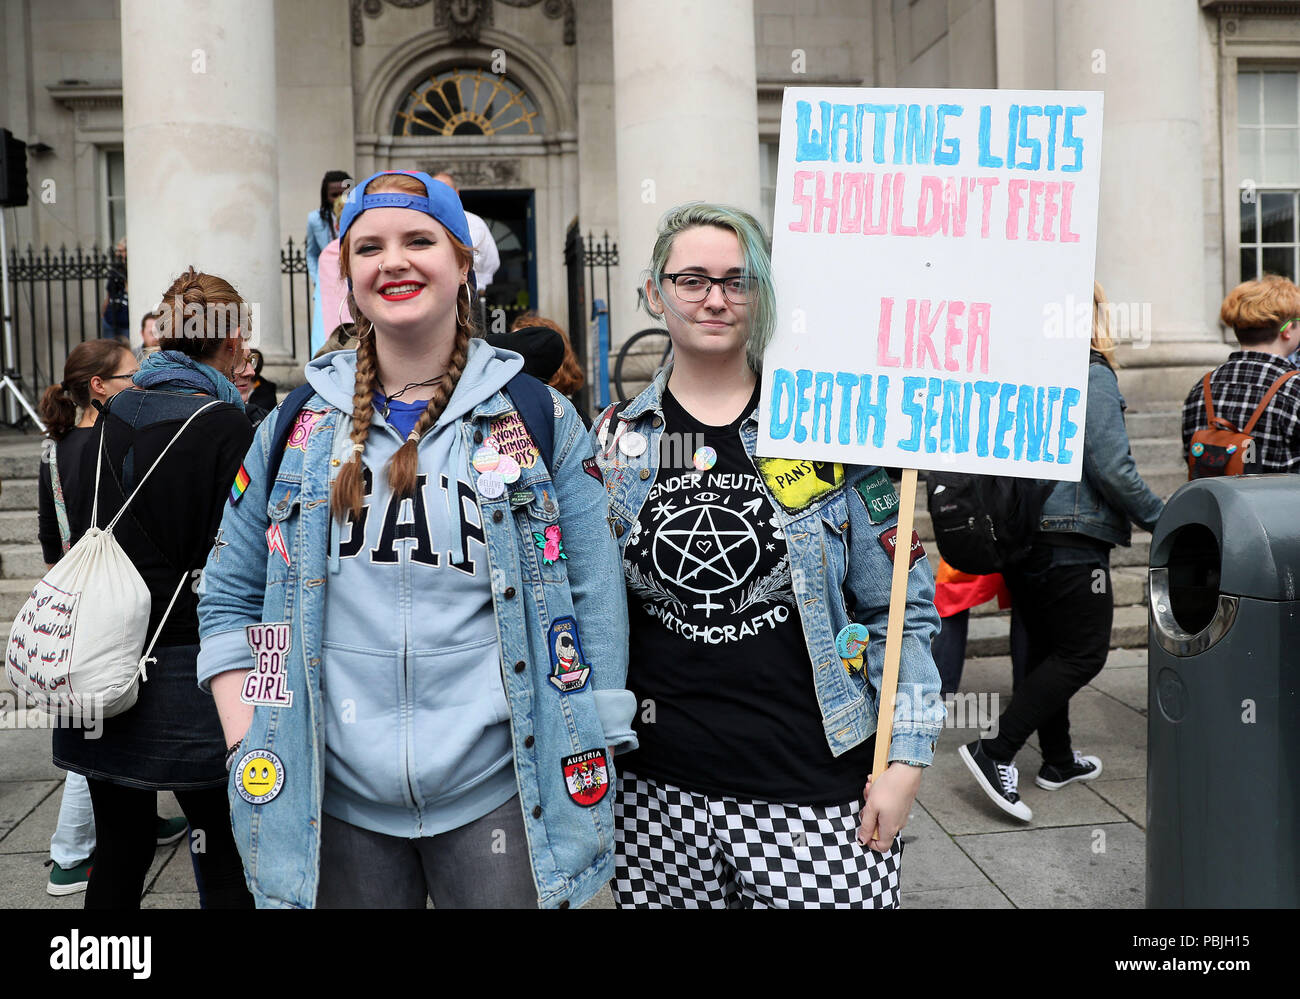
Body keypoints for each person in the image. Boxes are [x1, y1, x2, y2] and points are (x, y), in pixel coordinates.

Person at [197, 170, 634, 909]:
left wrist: (595, 728)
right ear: (348, 274)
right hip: (334, 803)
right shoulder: (294, 428)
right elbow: (239, 593)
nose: (393, 261)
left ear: (462, 262)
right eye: (369, 246)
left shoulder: (539, 415)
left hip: (501, 794)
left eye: (419, 240)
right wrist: (253, 728)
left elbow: (593, 588)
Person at [591, 202, 944, 909]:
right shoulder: (617, 441)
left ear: (762, 295)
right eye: (692, 279)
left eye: (737, 279)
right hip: (656, 798)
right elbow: (593, 614)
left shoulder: (828, 431)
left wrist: (906, 755)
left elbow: (901, 610)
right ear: (655, 294)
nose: (715, 297)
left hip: (814, 789)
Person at [52, 268, 256, 909]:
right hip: (190, 663)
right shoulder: (225, 426)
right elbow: (244, 557)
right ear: (228, 342)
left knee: (120, 845)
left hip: (97, 663)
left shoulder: (96, 420)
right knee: (220, 843)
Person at [958, 281, 1165, 822]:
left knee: (1047, 650)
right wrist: (1165, 518)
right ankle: (995, 749)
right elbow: (1112, 467)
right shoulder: (1090, 373)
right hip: (1070, 538)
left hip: (1026, 537)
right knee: (1083, 653)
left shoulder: (1027, 371)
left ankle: (1057, 760)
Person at [36, 339, 188, 896]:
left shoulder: (54, 451)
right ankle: (73, 852)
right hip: (130, 613)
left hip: (79, 615)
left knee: (98, 753)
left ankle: (87, 850)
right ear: (99, 387)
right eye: (131, 375)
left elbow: (53, 545)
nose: (141, 384)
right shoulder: (120, 443)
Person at [1182, 274, 1300, 473]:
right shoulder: (1294, 388)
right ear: (1287, 330)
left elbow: (1191, 455)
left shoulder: (1202, 387)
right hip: (1282, 503)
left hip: (1218, 503)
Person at [432, 171, 499, 330]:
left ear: (457, 193)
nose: (440, 195)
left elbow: (491, 261)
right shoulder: (419, 221)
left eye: (445, 190)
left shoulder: (474, 223)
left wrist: (475, 285)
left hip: (467, 296)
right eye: (435, 190)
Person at [307, 171, 353, 354]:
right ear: (325, 195)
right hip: (327, 277)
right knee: (325, 326)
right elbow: (311, 253)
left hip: (348, 275)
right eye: (334, 194)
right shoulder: (314, 219)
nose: (338, 199)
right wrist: (317, 280)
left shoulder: (355, 213)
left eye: (343, 193)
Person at [100, 238, 129, 342]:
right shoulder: (115, 270)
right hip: (110, 318)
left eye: (121, 251)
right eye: (117, 251)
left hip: (126, 320)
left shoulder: (132, 269)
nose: (118, 254)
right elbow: (109, 294)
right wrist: (103, 314)